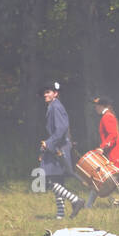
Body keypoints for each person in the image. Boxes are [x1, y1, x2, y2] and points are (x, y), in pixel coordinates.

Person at [81, 97, 119, 210]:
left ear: (103, 106)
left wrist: (102, 147)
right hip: (112, 154)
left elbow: (112, 135)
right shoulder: (108, 116)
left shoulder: (107, 117)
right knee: (100, 180)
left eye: (97, 105)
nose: (96, 107)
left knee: (114, 181)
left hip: (114, 155)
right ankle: (88, 205)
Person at [39, 81, 82, 219]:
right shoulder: (53, 106)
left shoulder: (55, 107)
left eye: (48, 92)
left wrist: (49, 143)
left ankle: (75, 200)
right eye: (45, 92)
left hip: (58, 148)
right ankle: (60, 215)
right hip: (58, 147)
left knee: (49, 181)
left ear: (55, 94)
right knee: (58, 182)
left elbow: (62, 128)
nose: (45, 94)